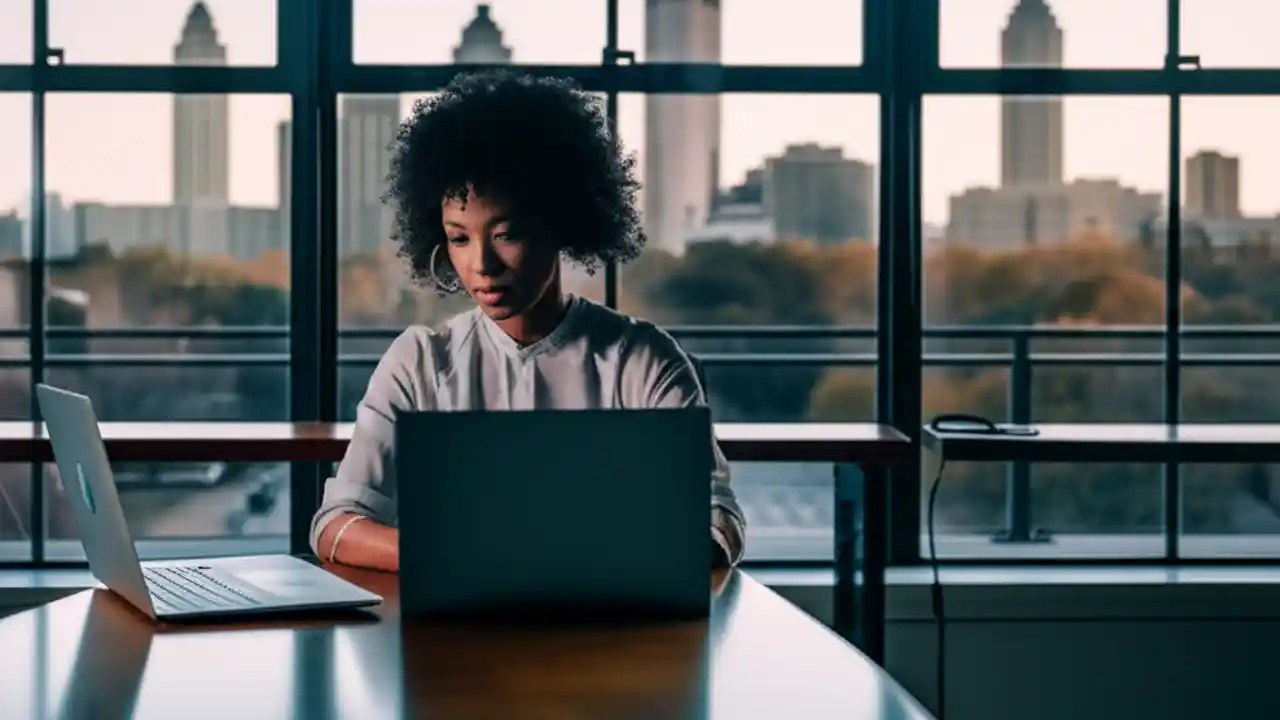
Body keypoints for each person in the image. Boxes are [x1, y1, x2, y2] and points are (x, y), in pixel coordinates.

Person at [310, 71, 746, 573]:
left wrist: (557, 562)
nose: (481, 264)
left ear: (561, 223)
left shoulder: (642, 361)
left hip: (611, 636)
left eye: (507, 233)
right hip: (452, 640)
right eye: (458, 238)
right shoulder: (420, 361)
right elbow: (336, 524)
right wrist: (456, 556)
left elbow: (716, 523)